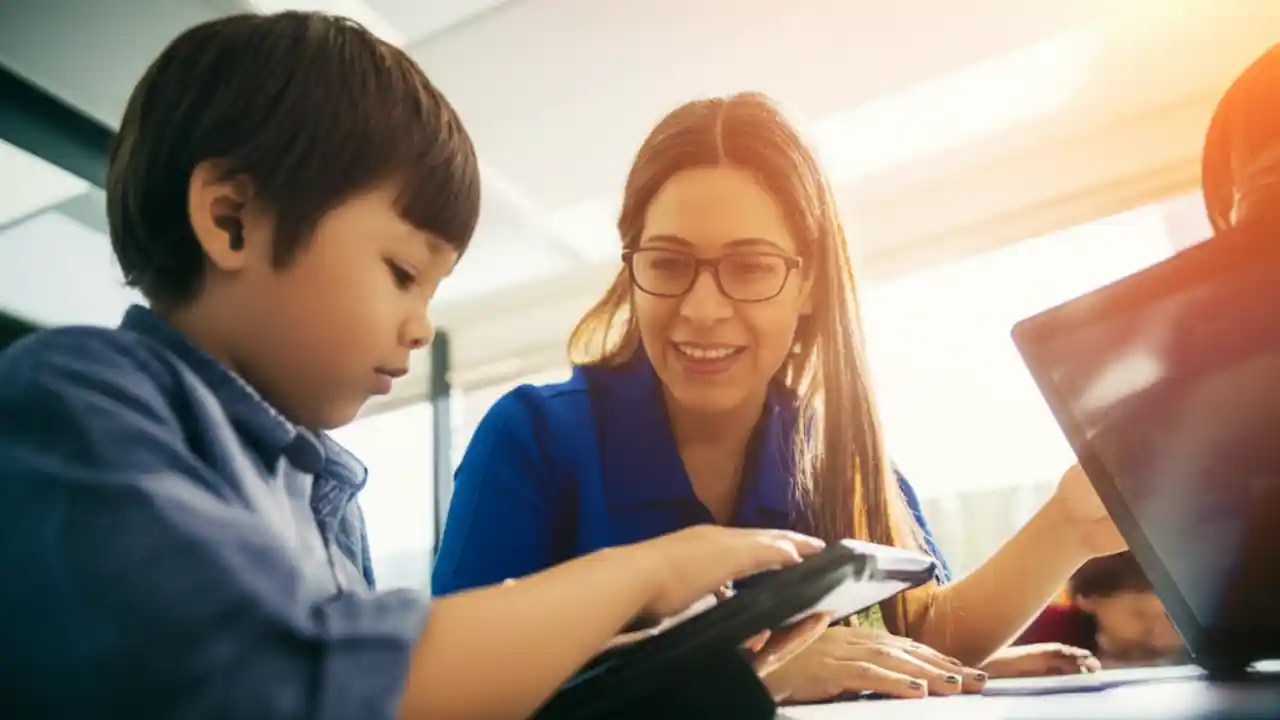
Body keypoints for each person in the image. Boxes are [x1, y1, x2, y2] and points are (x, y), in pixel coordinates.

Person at [0, 14, 829, 719]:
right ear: (231, 221)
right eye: (402, 273)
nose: (422, 327)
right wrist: (643, 571)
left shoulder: (320, 490)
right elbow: (290, 683)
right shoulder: (76, 400)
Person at [433, 92, 1126, 701]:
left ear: (808, 284)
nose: (702, 308)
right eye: (669, 263)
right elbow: (450, 685)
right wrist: (750, 675)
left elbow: (915, 623)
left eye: (751, 266)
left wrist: (1067, 525)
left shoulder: (832, 453)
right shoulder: (532, 441)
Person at [1017, 553, 1183, 668]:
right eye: (1139, 615)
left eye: (1171, 617)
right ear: (1087, 599)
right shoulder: (1037, 631)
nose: (1158, 635)